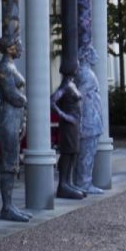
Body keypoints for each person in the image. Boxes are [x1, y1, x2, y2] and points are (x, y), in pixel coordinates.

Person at [0, 35, 31, 222]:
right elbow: (13, 95)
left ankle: (10, 204)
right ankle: (6, 207)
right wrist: (25, 101)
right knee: (8, 161)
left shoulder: (11, 67)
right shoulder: (3, 69)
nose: (21, 49)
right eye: (19, 46)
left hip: (14, 116)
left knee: (13, 161)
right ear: (10, 49)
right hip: (8, 116)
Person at [52, 61, 87, 199]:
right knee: (67, 153)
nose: (78, 67)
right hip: (68, 126)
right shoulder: (66, 85)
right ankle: (63, 184)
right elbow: (52, 100)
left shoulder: (72, 84)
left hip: (75, 125)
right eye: (77, 65)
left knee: (74, 153)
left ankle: (68, 182)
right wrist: (65, 116)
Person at [76, 44, 106, 193]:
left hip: (91, 119)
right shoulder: (86, 74)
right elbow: (79, 97)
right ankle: (84, 183)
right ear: (86, 55)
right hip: (89, 120)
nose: (97, 56)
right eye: (94, 52)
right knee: (87, 154)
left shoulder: (84, 73)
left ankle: (84, 182)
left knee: (88, 153)